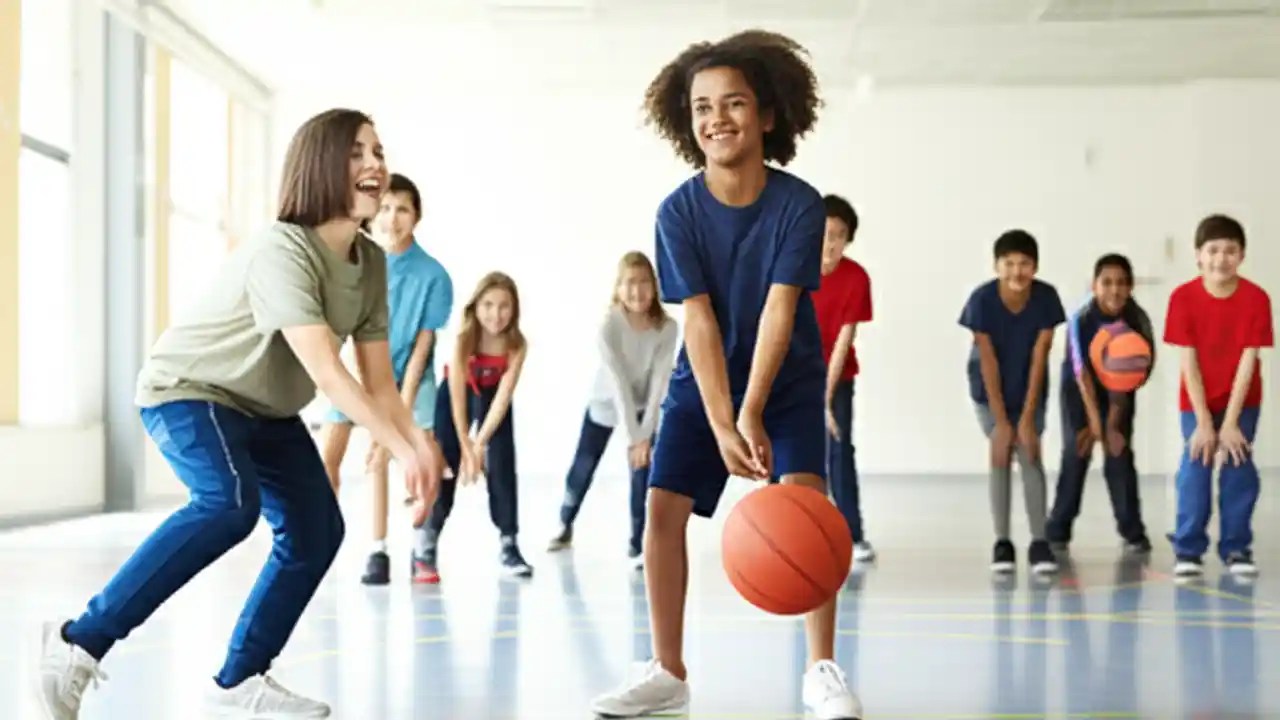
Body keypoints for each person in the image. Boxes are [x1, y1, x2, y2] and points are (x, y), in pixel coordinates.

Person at [32, 108, 443, 720]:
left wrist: (419, 441)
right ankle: (76, 646)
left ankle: (240, 677)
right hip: (190, 389)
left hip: (265, 408)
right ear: (322, 165)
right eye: (358, 152)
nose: (376, 165)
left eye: (379, 152)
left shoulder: (371, 263)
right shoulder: (283, 247)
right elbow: (329, 371)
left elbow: (380, 385)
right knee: (228, 503)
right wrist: (405, 449)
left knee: (318, 531)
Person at [589, 29, 862, 720]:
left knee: (808, 507)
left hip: (789, 379)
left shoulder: (800, 205)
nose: (717, 118)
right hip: (703, 379)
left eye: (734, 103)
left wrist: (753, 410)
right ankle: (668, 670)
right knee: (661, 511)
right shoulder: (677, 211)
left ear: (767, 114)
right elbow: (701, 322)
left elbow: (778, 310)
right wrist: (720, 416)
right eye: (702, 106)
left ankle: (822, 668)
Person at [318, 172, 454, 586]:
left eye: (403, 210)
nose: (393, 218)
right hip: (359, 371)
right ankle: (320, 545)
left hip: (411, 379)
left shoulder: (434, 275)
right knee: (328, 460)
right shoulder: (356, 263)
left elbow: (420, 351)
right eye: (387, 207)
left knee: (402, 456)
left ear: (417, 217)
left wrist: (392, 415)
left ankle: (414, 549)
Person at [547, 251, 678, 568]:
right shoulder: (609, 326)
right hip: (607, 402)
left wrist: (644, 437)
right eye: (630, 283)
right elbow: (618, 383)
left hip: (647, 409)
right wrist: (634, 438)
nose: (637, 291)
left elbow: (661, 381)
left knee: (642, 473)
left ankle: (637, 544)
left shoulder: (667, 327)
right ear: (618, 288)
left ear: (655, 286)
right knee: (584, 464)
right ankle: (565, 522)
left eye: (644, 282)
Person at [1163, 213, 1272, 578]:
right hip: (1197, 401)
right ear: (1198, 255)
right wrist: (1206, 424)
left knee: (1239, 465)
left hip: (1242, 400)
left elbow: (1248, 362)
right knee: (1196, 463)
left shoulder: (1257, 299)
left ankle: (1237, 547)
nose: (1220, 259)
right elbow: (1188, 365)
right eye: (1213, 250)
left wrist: (1229, 424)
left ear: (1241, 256)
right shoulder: (1182, 298)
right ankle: (1188, 548)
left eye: (1230, 251)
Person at [412, 271, 532, 582]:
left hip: (492, 399)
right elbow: (456, 395)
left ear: (514, 309)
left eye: (504, 306)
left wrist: (480, 446)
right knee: (446, 464)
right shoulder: (465, 340)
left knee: (502, 460)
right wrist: (465, 444)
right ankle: (426, 543)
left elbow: (503, 398)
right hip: (456, 395)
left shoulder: (517, 345)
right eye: (488, 305)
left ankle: (509, 543)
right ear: (476, 307)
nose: (496, 314)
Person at [958, 229, 1065, 576]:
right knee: (1001, 448)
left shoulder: (1046, 298)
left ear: (1035, 267)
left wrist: (1028, 417)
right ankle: (1002, 541)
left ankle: (1039, 541)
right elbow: (987, 359)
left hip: (1029, 386)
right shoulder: (982, 300)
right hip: (989, 390)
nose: (1017, 271)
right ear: (996, 265)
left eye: (1024, 264)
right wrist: (1003, 422)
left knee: (1030, 452)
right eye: (1009, 264)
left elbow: (1040, 357)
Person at [1045, 254, 1153, 554]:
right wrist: (1093, 422)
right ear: (1094, 285)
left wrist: (1110, 424)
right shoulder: (1080, 319)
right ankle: (1057, 529)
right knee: (1076, 453)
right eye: (1107, 282)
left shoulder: (1137, 320)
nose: (1114, 290)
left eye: (1121, 283)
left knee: (1118, 452)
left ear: (1130, 287)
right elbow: (1080, 372)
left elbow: (1137, 376)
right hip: (1080, 388)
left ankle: (1133, 532)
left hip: (1120, 390)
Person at [810, 193, 875, 564]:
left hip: (837, 379)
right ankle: (793, 532)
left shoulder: (856, 278)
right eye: (823, 232)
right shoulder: (792, 272)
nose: (829, 242)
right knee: (793, 457)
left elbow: (842, 342)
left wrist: (825, 399)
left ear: (847, 239)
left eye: (838, 234)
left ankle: (853, 535)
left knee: (839, 450)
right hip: (794, 378)